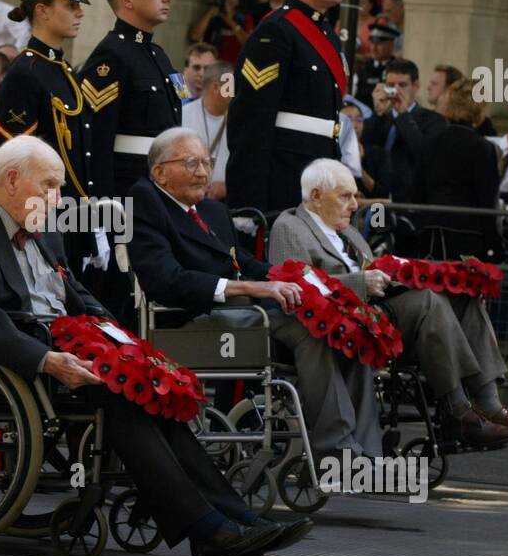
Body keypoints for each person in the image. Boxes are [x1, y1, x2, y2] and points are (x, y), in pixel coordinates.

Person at [0, 135, 313, 556]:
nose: (58, 200)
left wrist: (121, 339)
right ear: (13, 179)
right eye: (50, 186)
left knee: (151, 394)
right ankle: (208, 527)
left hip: (69, 342)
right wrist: (46, 360)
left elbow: (75, 293)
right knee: (120, 395)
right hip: (14, 356)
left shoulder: (42, 225)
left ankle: (234, 517)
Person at [130, 130, 383, 458]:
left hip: (242, 313)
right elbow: (165, 280)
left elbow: (247, 263)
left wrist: (307, 280)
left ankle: (367, 452)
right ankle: (336, 450)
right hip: (186, 319)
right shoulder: (145, 204)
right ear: (160, 172)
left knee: (343, 326)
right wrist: (252, 287)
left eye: (207, 162)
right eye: (191, 163)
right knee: (316, 331)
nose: (204, 172)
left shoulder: (212, 211)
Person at [268, 160, 508, 445]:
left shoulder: (347, 230)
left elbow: (378, 268)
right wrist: (360, 283)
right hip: (351, 320)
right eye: (345, 196)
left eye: (354, 196)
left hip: (381, 309)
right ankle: (457, 411)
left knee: (465, 297)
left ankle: (489, 405)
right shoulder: (290, 226)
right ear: (315, 196)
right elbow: (297, 287)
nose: (354, 205)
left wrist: (416, 276)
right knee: (427, 301)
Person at [226, 0, 349, 214]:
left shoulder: (328, 34)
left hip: (321, 172)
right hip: (284, 179)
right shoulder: (276, 31)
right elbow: (251, 122)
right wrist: (247, 206)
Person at [79, 0, 188, 199]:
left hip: (163, 188)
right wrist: (103, 206)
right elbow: (96, 140)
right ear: (127, 0)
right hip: (128, 192)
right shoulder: (111, 55)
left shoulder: (158, 54)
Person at [0, 0, 94, 201]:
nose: (80, 12)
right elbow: (11, 157)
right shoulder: (25, 72)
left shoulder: (62, 68)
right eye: (70, 5)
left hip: (75, 208)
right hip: (44, 211)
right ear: (42, 11)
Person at [412, 79, 502, 261]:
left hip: (432, 231)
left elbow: (417, 191)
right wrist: (493, 245)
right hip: (468, 235)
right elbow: (486, 200)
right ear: (479, 108)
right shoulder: (482, 147)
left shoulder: (431, 142)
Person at [361, 58, 447, 203]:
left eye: (402, 85)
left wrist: (403, 114)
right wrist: (378, 113)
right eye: (390, 85)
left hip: (411, 201)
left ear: (416, 85)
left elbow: (423, 153)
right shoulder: (380, 118)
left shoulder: (433, 120)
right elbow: (368, 148)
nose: (396, 91)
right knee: (377, 225)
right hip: (377, 198)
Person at [180, 60, 232, 202]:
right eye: (231, 86)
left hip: (223, 201)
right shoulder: (183, 115)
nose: (235, 91)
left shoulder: (239, 120)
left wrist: (227, 185)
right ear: (216, 87)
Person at [187, 0, 252, 64]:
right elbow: (195, 37)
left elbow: (248, 44)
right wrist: (211, 11)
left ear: (238, 1)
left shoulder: (244, 19)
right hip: (213, 66)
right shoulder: (212, 18)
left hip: (236, 66)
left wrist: (230, 21)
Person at [354, 21, 399, 105]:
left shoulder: (397, 68)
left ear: (391, 45)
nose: (374, 48)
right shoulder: (365, 68)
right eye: (372, 43)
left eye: (379, 44)